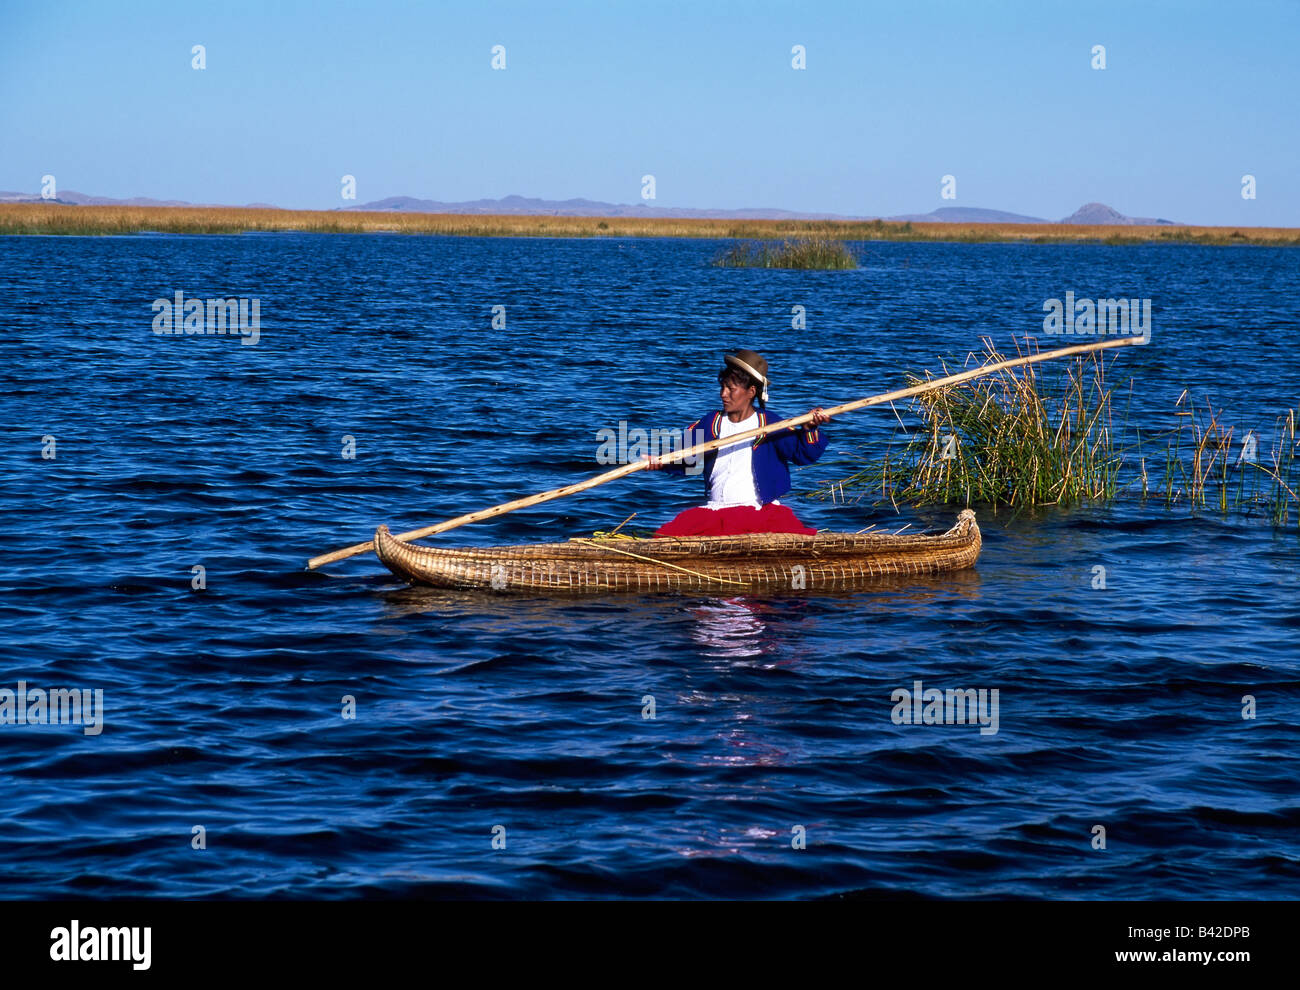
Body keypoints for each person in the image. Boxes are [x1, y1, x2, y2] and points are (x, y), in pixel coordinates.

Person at [643, 349, 830, 536]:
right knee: (666, 536)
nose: (724, 394)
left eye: (731, 389)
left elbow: (804, 454)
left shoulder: (770, 424)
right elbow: (686, 459)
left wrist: (809, 428)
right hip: (715, 512)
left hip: (758, 512)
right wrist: (660, 463)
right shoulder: (710, 423)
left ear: (751, 392)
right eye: (722, 387)